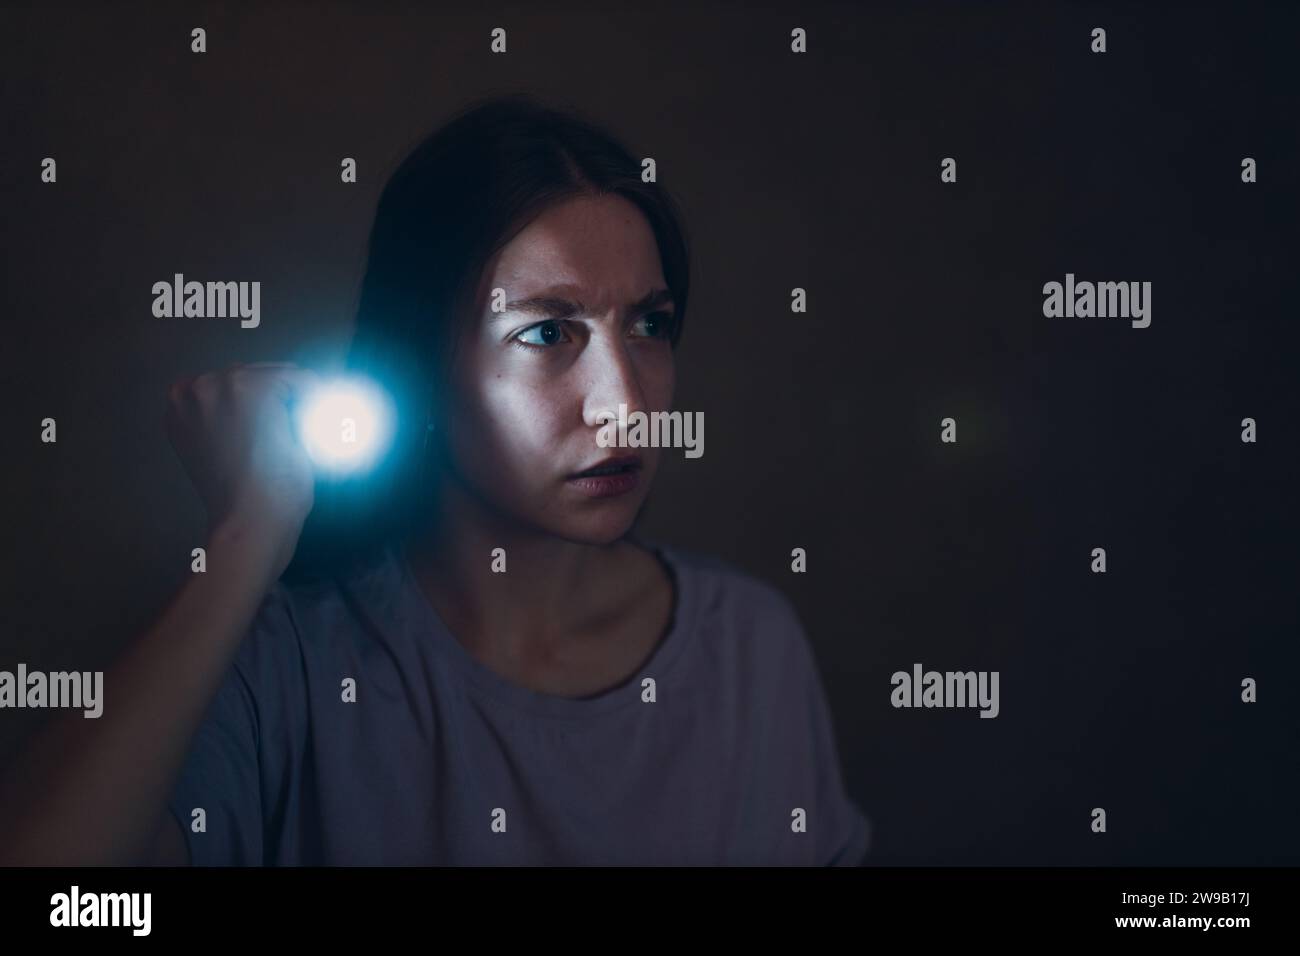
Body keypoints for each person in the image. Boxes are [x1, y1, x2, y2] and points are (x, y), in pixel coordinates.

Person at [0, 93, 870, 866]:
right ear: (419, 364)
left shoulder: (751, 647)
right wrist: (241, 540)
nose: (626, 407)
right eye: (547, 333)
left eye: (650, 323)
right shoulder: (281, 664)